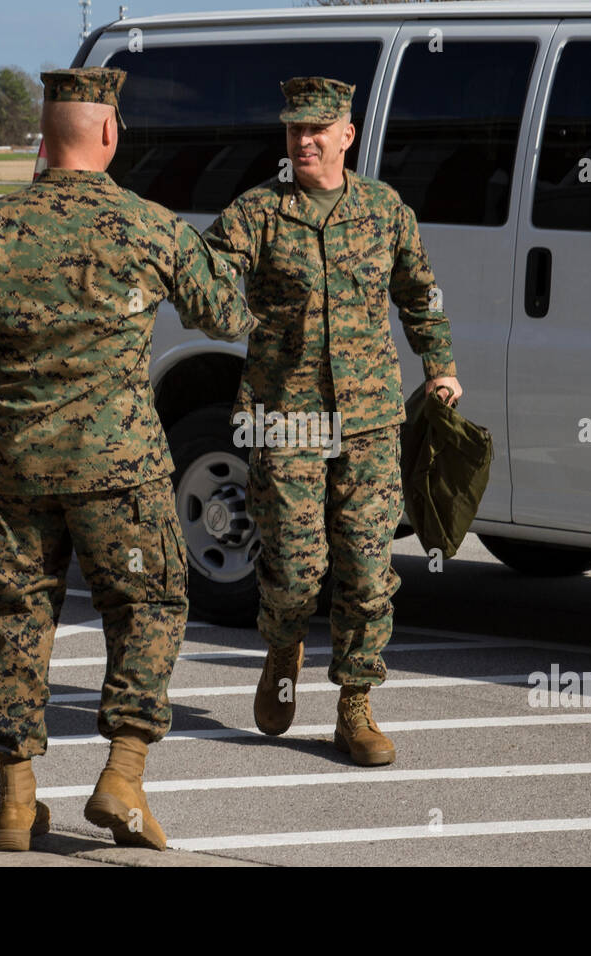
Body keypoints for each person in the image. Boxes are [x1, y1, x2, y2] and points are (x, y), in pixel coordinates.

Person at [0, 66, 257, 851]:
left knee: (9, 623)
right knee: (149, 609)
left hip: (13, 472)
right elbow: (227, 312)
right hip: (119, 474)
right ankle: (122, 775)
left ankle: (15, 803)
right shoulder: (151, 225)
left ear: (42, 139)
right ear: (108, 133)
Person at [203, 76, 462, 766]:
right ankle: (282, 651)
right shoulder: (256, 212)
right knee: (293, 566)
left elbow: (419, 292)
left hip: (370, 416)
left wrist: (438, 364)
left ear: (347, 135)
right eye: (294, 130)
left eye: (318, 130)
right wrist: (221, 305)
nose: (305, 141)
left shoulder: (384, 209)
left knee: (367, 567)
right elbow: (207, 275)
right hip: (286, 419)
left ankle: (356, 706)